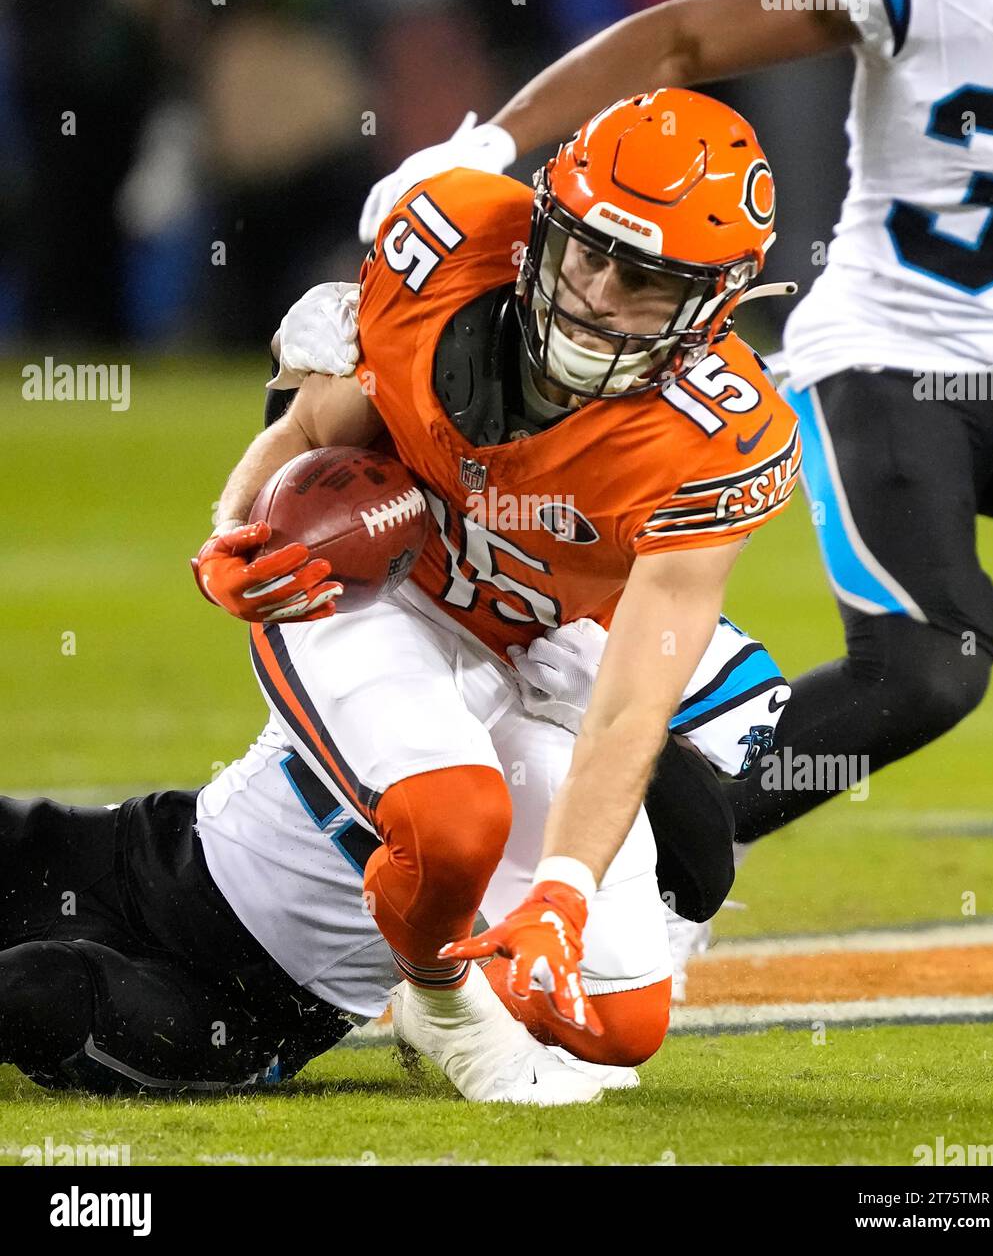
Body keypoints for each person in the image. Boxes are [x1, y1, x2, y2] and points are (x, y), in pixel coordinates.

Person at [357, 0, 993, 862]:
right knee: (926, 662)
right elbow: (681, 39)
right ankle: (636, 853)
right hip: (893, 355)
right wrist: (498, 138)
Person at [192, 89, 801, 1101]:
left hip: (545, 636)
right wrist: (232, 527)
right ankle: (437, 997)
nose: (599, 291)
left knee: (626, 1000)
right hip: (394, 586)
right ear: (543, 222)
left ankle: (490, 928)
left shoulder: (715, 438)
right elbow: (311, 419)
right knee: (450, 816)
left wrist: (561, 894)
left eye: (645, 278)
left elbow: (634, 698)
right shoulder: (443, 243)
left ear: (712, 305)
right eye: (586, 248)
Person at [0, 624, 787, 1097]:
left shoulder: (615, 614)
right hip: (162, 850)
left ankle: (450, 1003)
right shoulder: (411, 547)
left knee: (32, 988)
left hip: (247, 1001)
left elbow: (701, 868)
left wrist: (619, 716)